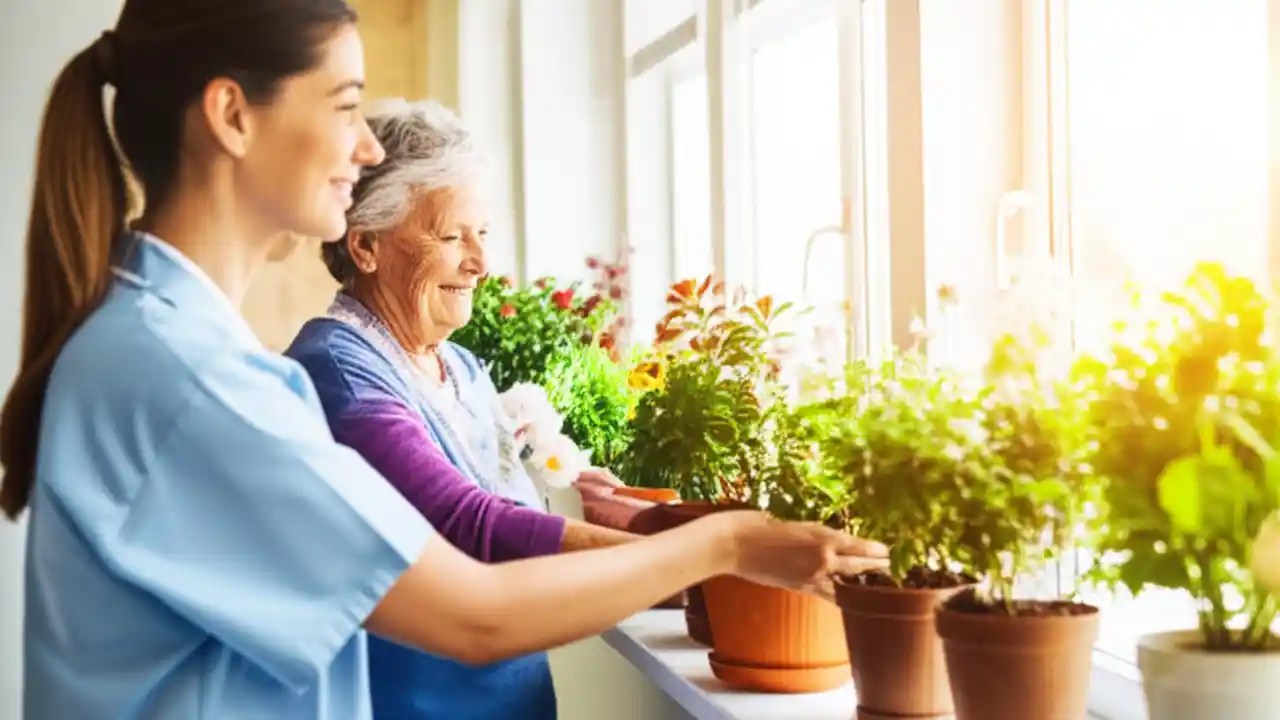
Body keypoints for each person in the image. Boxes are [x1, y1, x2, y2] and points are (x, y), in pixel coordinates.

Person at [0, 3, 890, 718]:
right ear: (233, 115)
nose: (368, 147)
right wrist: (725, 542)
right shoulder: (191, 378)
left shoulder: (168, 345)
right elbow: (474, 613)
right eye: (345, 105)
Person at [285, 99, 637, 719]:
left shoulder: (462, 368)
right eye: (451, 237)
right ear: (365, 245)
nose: (481, 262)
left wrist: (581, 485)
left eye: (483, 234)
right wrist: (679, 560)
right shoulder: (339, 372)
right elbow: (465, 524)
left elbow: (496, 492)